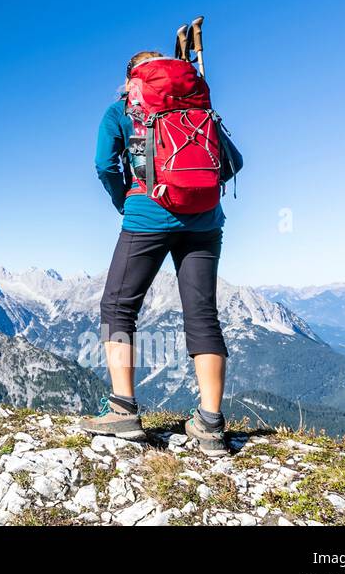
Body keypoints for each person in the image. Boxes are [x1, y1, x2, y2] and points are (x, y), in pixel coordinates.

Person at [72, 49, 243, 454]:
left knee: (117, 307)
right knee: (203, 314)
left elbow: (103, 164)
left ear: (131, 78)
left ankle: (123, 410)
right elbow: (232, 163)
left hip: (147, 213)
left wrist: (126, 201)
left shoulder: (120, 110)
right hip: (204, 220)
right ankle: (211, 424)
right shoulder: (199, 109)